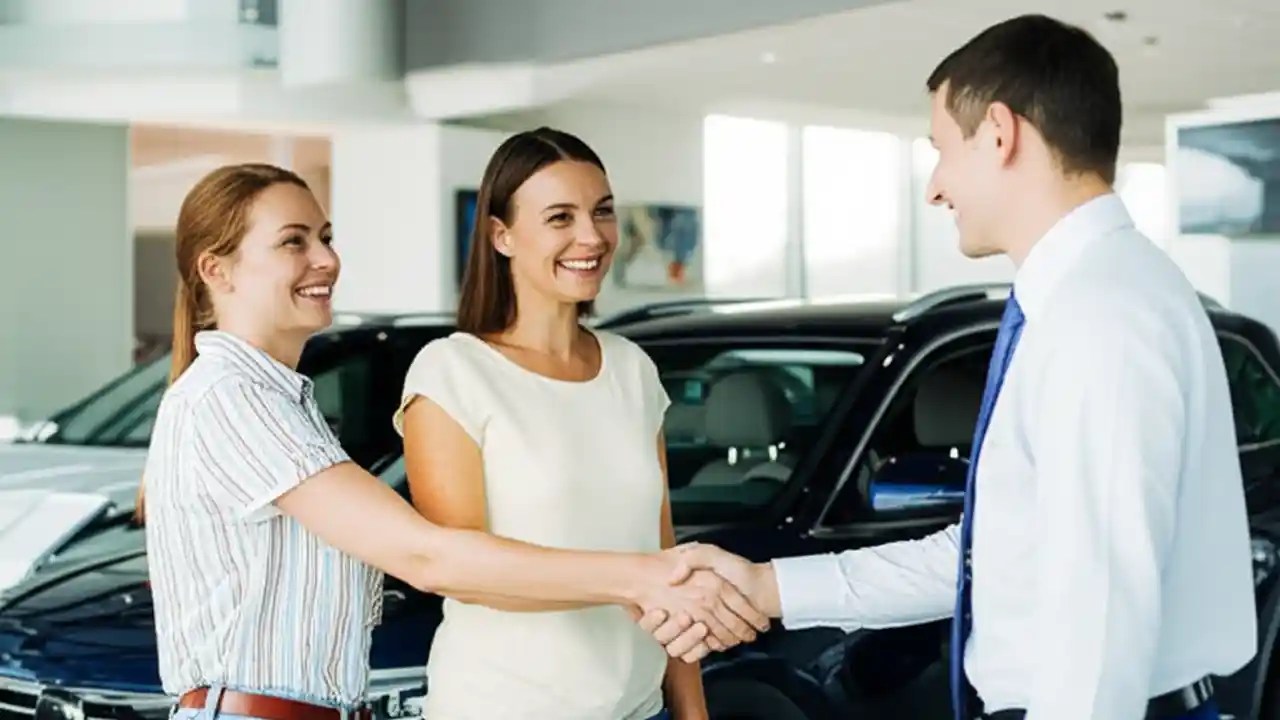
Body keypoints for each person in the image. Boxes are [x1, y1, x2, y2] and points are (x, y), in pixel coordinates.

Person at [661, 13, 1257, 720]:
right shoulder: (1086, 297)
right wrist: (767, 586)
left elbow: (1100, 607)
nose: (935, 188)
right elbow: (991, 555)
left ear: (1000, 133)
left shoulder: (1100, 314)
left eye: (942, 149)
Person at [139, 163, 768, 720]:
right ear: (215, 270)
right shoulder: (231, 398)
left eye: (326, 238)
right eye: (292, 243)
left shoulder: (277, 400)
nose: (326, 260)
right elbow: (428, 558)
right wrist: (645, 577)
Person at [393, 127, 708, 720]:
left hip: (637, 710)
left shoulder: (631, 370)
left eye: (602, 212)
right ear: (501, 235)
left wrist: (691, 712)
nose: (591, 236)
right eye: (560, 217)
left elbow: (664, 555)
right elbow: (465, 574)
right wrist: (631, 580)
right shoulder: (452, 371)